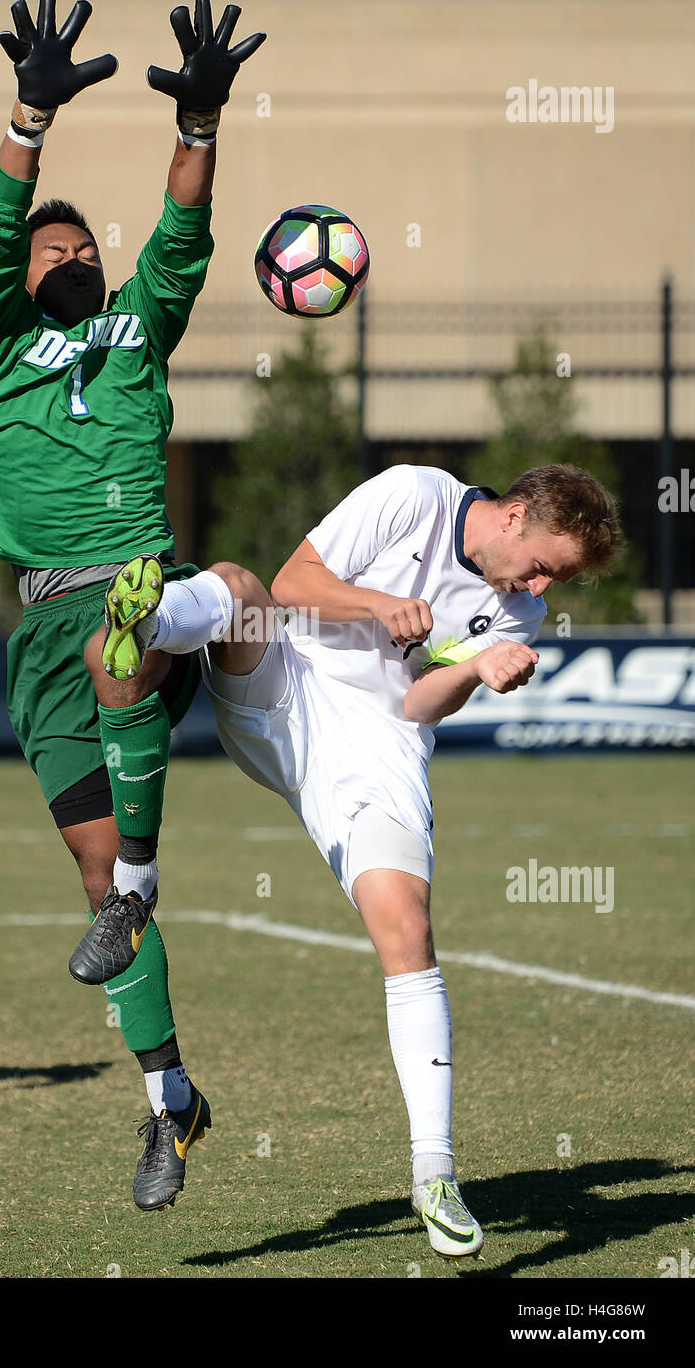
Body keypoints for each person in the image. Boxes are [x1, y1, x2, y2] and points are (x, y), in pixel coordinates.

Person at [72, 461, 621, 1255]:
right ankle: (147, 626)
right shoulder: (415, 495)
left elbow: (416, 703)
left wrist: (472, 668)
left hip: (378, 747)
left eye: (554, 581)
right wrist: (378, 604)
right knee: (240, 585)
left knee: (408, 932)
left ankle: (434, 1174)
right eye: (542, 567)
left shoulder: (518, 615)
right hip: (284, 688)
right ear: (515, 515)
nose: (539, 590)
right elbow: (298, 580)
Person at [0, 0, 264, 1212]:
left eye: (86, 245)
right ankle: (172, 1105)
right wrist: (29, 115)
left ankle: (139, 878)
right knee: (97, 890)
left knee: (127, 634)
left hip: (142, 587)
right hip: (42, 629)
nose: (73, 255)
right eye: (55, 248)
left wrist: (197, 118)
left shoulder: (139, 326)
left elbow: (181, 233)